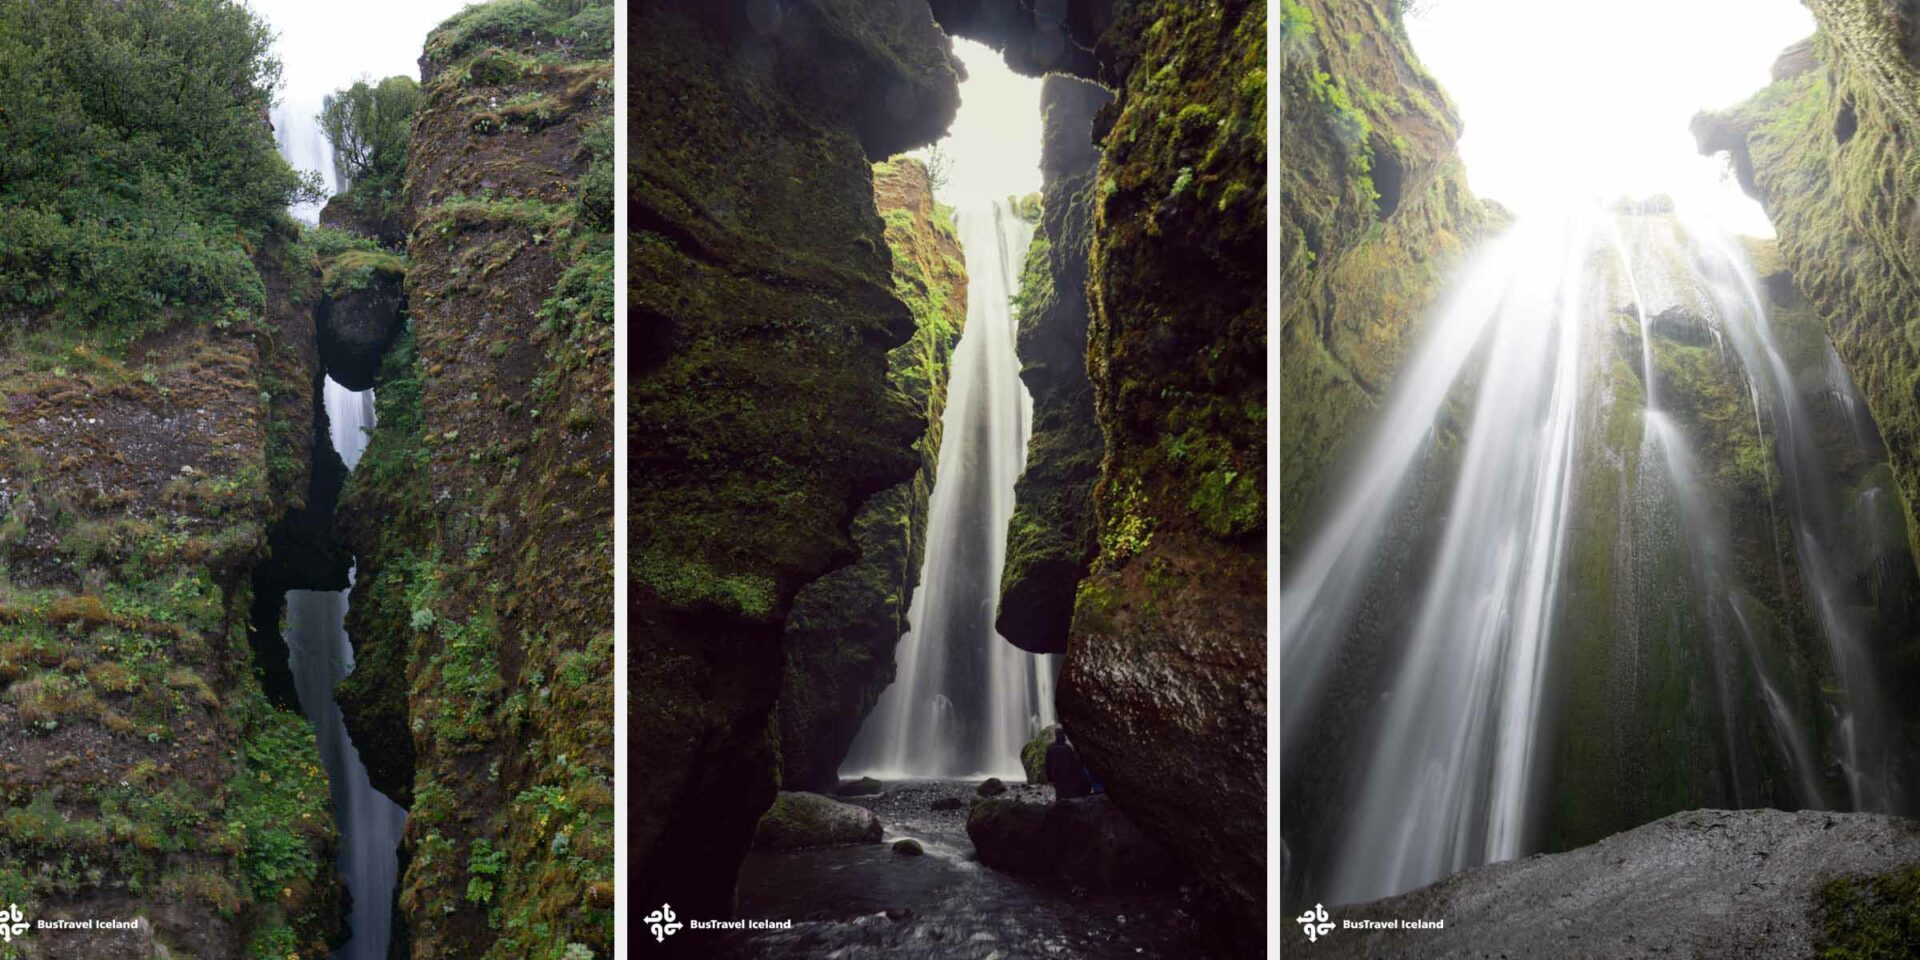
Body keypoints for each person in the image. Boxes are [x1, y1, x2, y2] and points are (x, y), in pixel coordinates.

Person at [1044, 726, 1090, 799]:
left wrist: (1049, 779)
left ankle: (1060, 805)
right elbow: (1074, 764)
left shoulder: (1050, 748)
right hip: (1068, 776)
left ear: (1056, 736)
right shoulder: (1067, 748)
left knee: (1059, 794)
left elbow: (1047, 765)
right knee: (1069, 795)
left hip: (1057, 776)